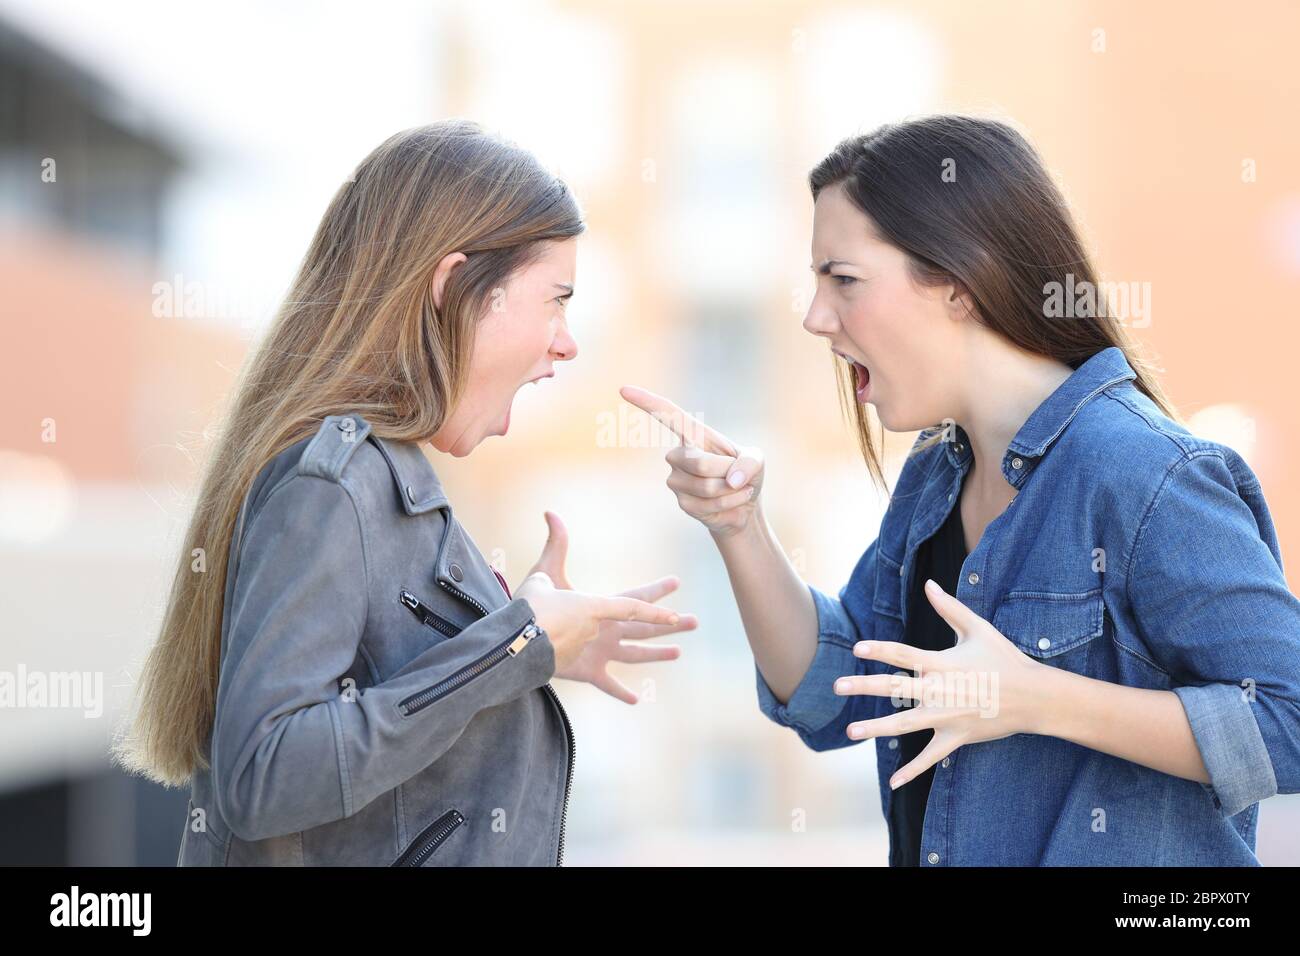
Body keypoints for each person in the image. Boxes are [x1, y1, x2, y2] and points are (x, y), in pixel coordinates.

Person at [623, 114, 1300, 866]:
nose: (816, 318)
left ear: (959, 284)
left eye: (843, 280)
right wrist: (738, 524)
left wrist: (1037, 699)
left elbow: (1289, 722)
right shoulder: (938, 471)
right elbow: (834, 690)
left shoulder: (1146, 474)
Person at [115, 120, 695, 866]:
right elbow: (265, 776)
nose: (566, 341)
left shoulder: (386, 481)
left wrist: (533, 642)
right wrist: (516, 642)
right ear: (454, 285)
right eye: (555, 301)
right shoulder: (331, 489)